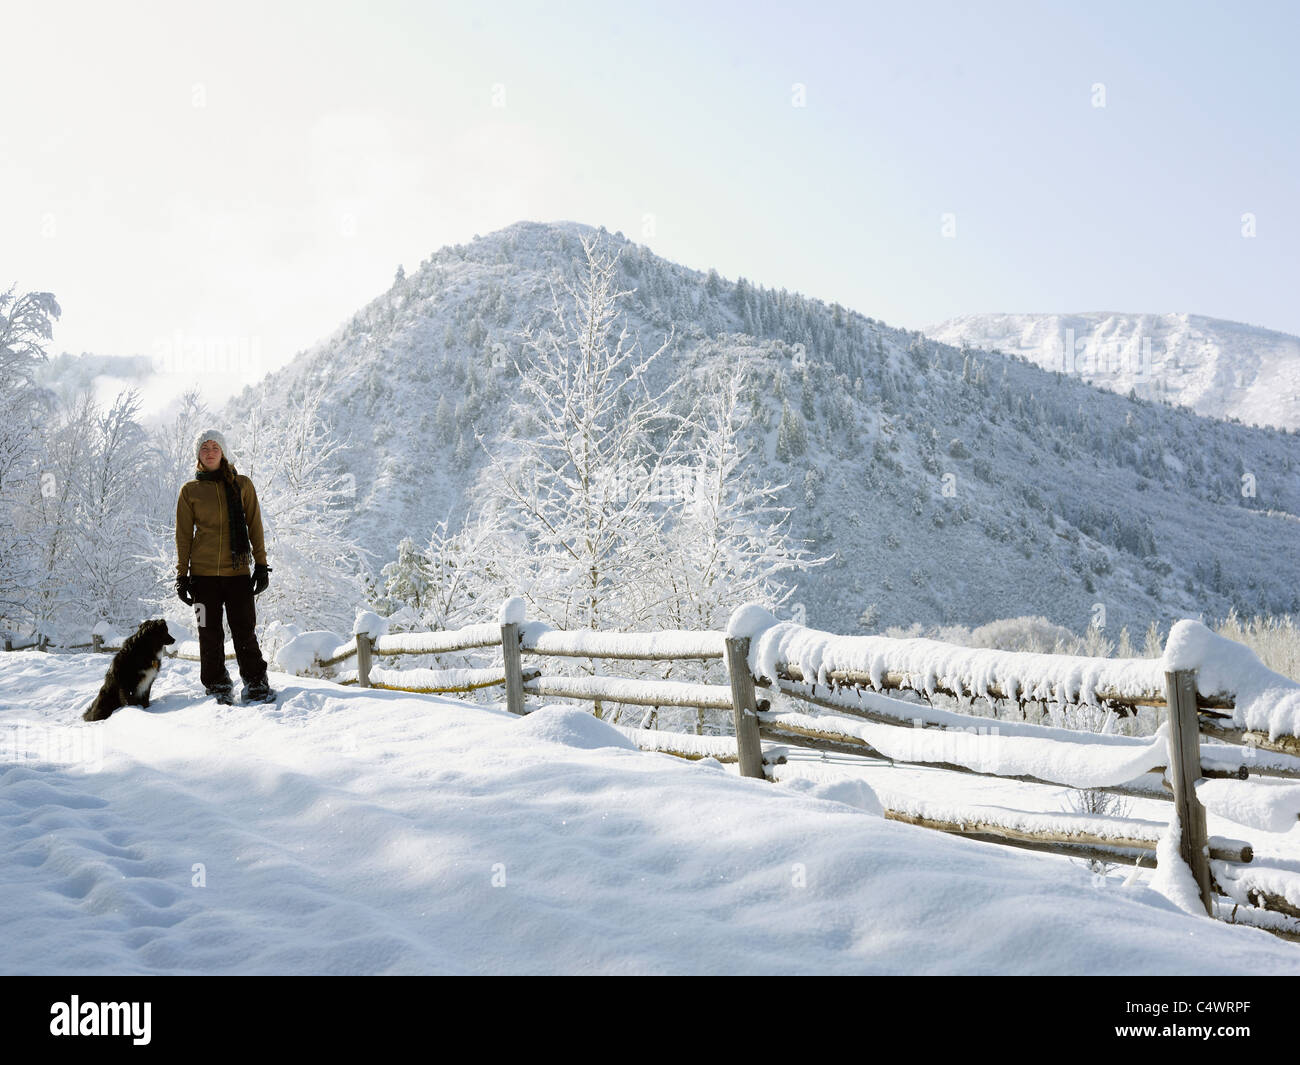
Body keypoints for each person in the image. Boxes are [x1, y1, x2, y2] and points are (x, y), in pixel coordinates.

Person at [175, 429, 274, 703]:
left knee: (245, 630)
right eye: (204, 447)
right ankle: (217, 684)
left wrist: (262, 565)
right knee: (208, 633)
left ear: (223, 452)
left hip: (238, 574)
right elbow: (183, 536)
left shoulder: (242, 485)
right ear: (198, 454)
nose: (209, 452)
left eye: (215, 447)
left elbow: (254, 525)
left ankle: (256, 682)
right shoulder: (190, 491)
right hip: (202, 579)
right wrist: (181, 576)